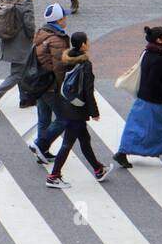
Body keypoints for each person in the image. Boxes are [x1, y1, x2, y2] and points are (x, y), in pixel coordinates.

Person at [44, 32, 115, 189]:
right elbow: (88, 91)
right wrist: (94, 112)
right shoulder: (85, 64)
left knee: (84, 140)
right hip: (77, 110)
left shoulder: (67, 59)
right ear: (83, 44)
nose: (89, 42)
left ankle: (98, 169)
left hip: (67, 105)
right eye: (87, 40)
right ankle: (53, 176)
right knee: (68, 143)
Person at [114, 25, 162, 169]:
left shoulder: (147, 52)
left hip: (144, 97)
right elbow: (154, 81)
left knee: (137, 127)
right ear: (159, 40)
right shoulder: (158, 58)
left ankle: (123, 153)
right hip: (155, 100)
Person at [29, 3, 71, 165]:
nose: (66, 19)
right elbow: (59, 67)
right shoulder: (57, 40)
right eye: (64, 16)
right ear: (59, 20)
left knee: (44, 118)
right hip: (51, 85)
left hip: (40, 82)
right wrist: (62, 89)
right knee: (64, 118)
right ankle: (40, 144)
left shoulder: (42, 33)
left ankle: (42, 152)